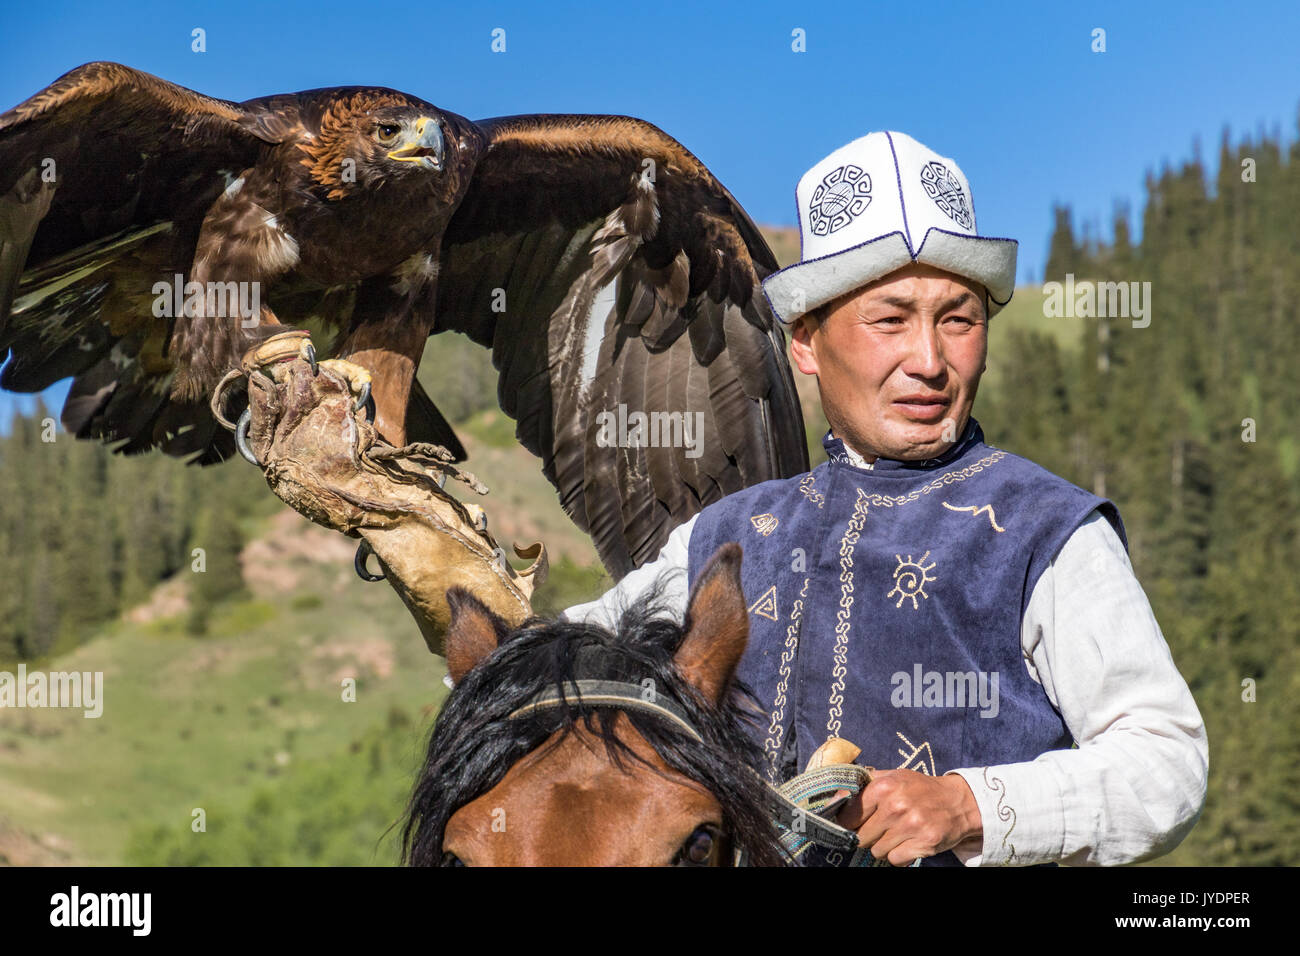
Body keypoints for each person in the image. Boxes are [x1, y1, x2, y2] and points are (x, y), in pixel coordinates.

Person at [563, 131, 1208, 867]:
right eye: (891, 319)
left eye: (958, 319)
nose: (930, 361)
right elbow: (554, 664)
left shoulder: (1046, 532)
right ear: (806, 342)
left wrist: (972, 807)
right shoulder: (724, 536)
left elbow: (1166, 762)